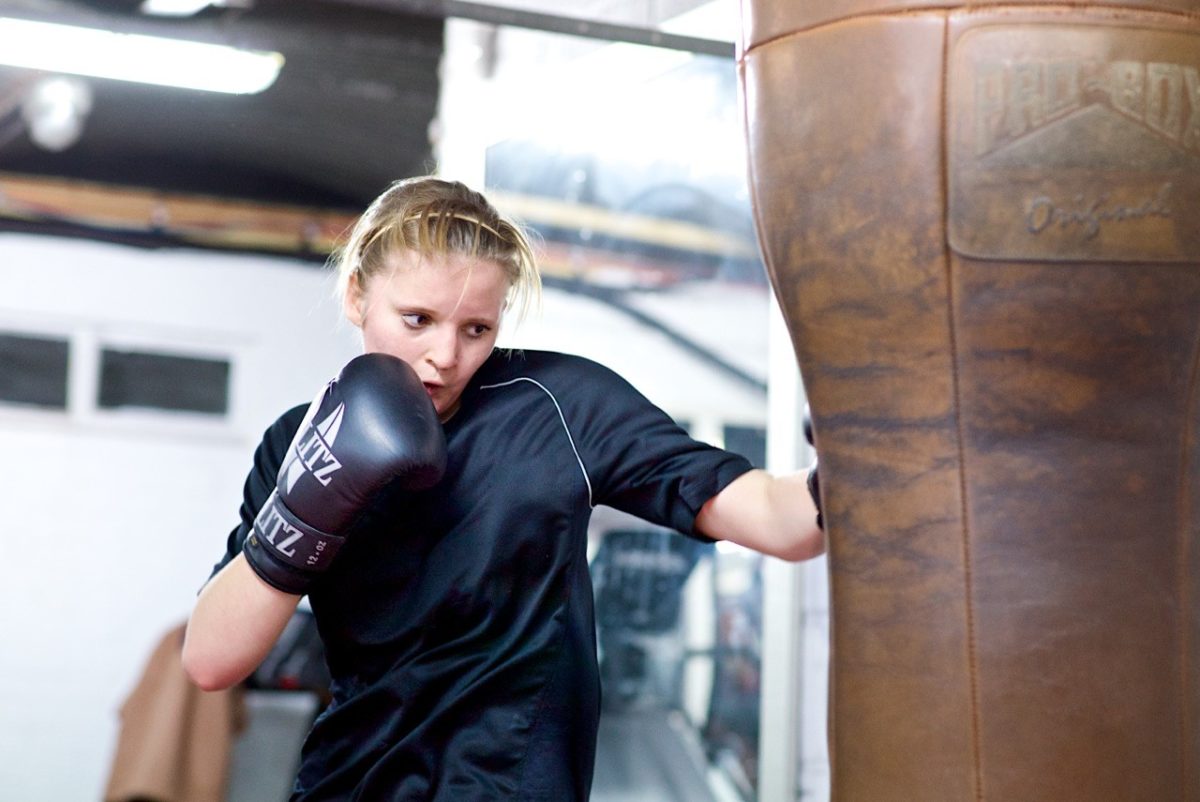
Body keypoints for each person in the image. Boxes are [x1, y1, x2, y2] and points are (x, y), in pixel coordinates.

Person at [182, 176, 824, 801]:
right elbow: (211, 663)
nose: (444, 356)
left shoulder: (560, 407)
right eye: (417, 319)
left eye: (475, 329)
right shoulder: (299, 439)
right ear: (356, 296)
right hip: (346, 782)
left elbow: (771, 515)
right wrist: (310, 504)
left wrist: (852, 469)